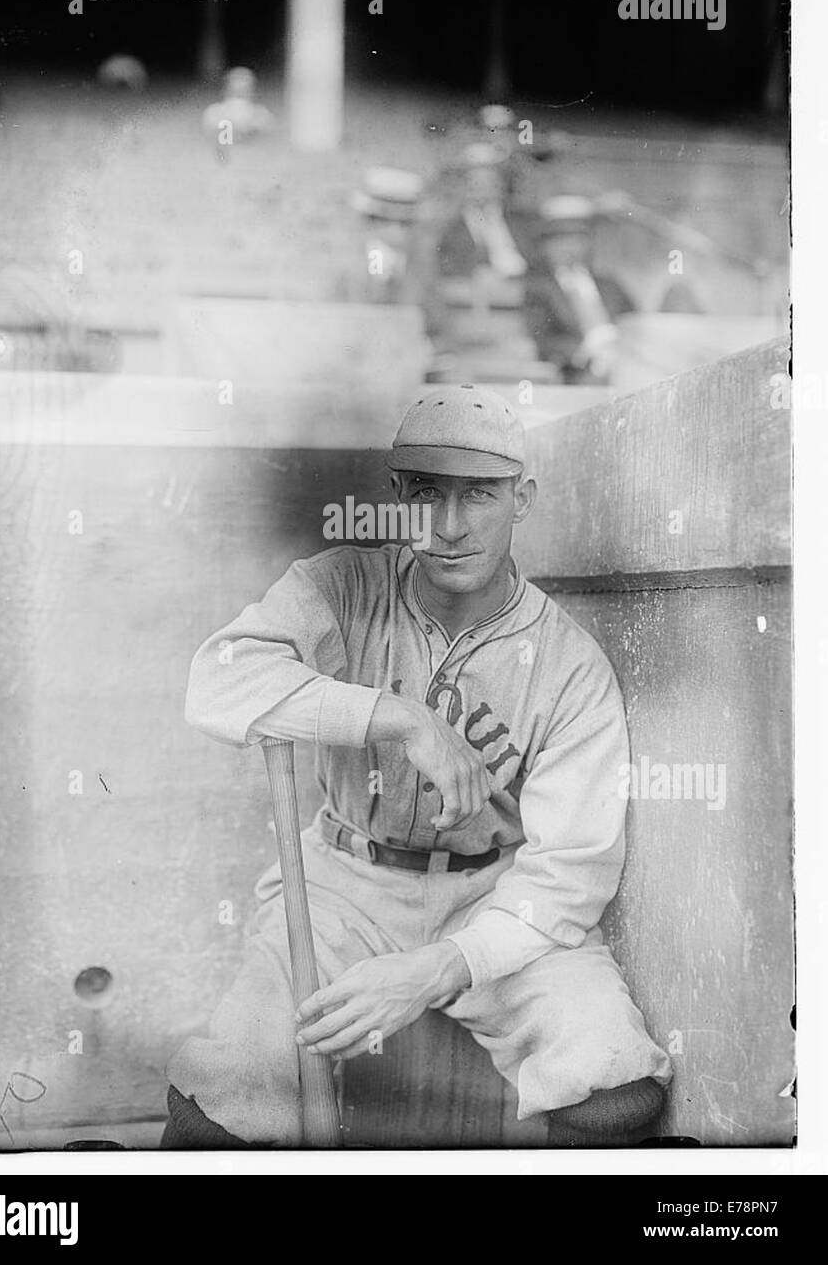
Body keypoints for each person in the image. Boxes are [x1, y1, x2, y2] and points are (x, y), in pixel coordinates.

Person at [161, 384, 672, 1148]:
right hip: (340, 887)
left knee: (611, 1082)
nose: (450, 525)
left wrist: (440, 968)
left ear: (521, 498)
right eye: (428, 493)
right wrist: (399, 719)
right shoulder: (339, 588)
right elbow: (217, 680)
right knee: (226, 1092)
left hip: (492, 896)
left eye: (479, 495)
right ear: (396, 495)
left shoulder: (568, 664)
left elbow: (570, 867)